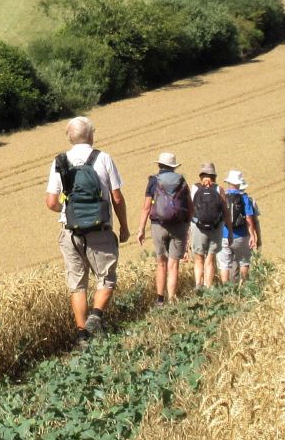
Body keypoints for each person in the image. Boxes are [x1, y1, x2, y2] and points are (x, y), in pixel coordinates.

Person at [43, 115, 129, 342]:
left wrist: (70, 211)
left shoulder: (60, 161)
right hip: (100, 229)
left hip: (70, 232)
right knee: (106, 279)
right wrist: (124, 227)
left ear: (70, 137)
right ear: (91, 135)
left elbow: (51, 202)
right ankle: (96, 316)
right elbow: (117, 198)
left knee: (77, 285)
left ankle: (82, 336)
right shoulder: (103, 158)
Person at [137, 150, 191, 306]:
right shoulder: (182, 181)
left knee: (161, 263)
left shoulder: (154, 181)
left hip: (158, 225)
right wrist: (187, 227)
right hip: (179, 226)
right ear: (173, 167)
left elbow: (146, 207)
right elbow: (190, 206)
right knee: (174, 264)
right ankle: (172, 299)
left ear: (159, 165)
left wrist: (141, 229)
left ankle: (160, 300)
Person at [187, 162, 227, 291]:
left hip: (198, 227)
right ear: (214, 176)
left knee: (198, 257)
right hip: (215, 228)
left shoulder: (194, 188)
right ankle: (208, 287)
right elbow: (225, 211)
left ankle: (198, 284)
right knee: (210, 258)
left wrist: (188, 232)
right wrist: (229, 230)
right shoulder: (219, 189)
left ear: (201, 175)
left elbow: (190, 210)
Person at [222, 168, 262, 286]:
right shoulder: (245, 198)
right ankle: (242, 286)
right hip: (241, 235)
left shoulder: (222, 196)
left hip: (224, 235)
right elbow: (249, 218)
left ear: (228, 182)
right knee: (244, 262)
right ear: (239, 183)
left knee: (225, 265)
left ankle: (225, 291)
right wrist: (253, 235)